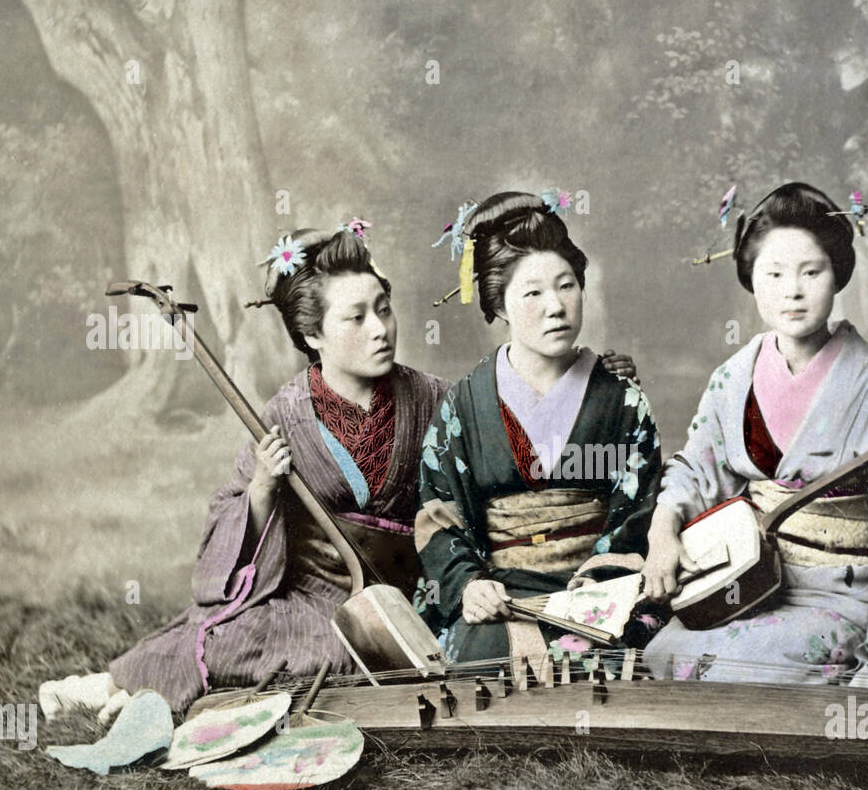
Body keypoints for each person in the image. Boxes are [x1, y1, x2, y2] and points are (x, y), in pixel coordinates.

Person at [44, 223, 450, 718]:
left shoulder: (430, 397)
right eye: (357, 317)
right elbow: (229, 514)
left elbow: (461, 499)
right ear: (311, 333)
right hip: (316, 597)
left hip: (411, 591)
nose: (380, 329)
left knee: (426, 648)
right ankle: (111, 689)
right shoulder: (284, 415)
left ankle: (133, 691)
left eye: (383, 309)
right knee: (242, 637)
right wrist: (262, 485)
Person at [640, 182, 868, 690]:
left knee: (745, 666)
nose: (792, 291)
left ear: (837, 274)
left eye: (811, 272)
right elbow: (697, 469)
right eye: (772, 274)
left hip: (844, 593)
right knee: (664, 652)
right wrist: (662, 529)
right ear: (751, 279)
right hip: (753, 582)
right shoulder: (733, 379)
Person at [415, 191, 661, 666]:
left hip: (596, 587)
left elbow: (638, 509)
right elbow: (438, 513)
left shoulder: (621, 399)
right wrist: (468, 584)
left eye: (566, 286)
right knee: (480, 663)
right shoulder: (465, 404)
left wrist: (600, 579)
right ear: (500, 305)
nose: (556, 305)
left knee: (611, 665)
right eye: (533, 292)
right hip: (499, 593)